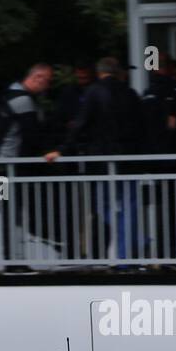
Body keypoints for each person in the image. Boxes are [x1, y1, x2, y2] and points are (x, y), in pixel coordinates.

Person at [44, 57, 145, 261]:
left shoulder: (93, 91)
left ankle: (123, 247)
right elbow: (142, 126)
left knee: (103, 206)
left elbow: (80, 125)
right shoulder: (130, 93)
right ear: (117, 72)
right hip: (129, 160)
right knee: (129, 206)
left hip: (101, 160)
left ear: (99, 73)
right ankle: (128, 254)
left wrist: (62, 150)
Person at [0, 62, 53, 159]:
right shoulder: (22, 99)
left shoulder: (13, 92)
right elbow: (32, 132)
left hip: (6, 157)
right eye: (47, 81)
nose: (48, 86)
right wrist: (48, 151)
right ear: (38, 77)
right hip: (11, 159)